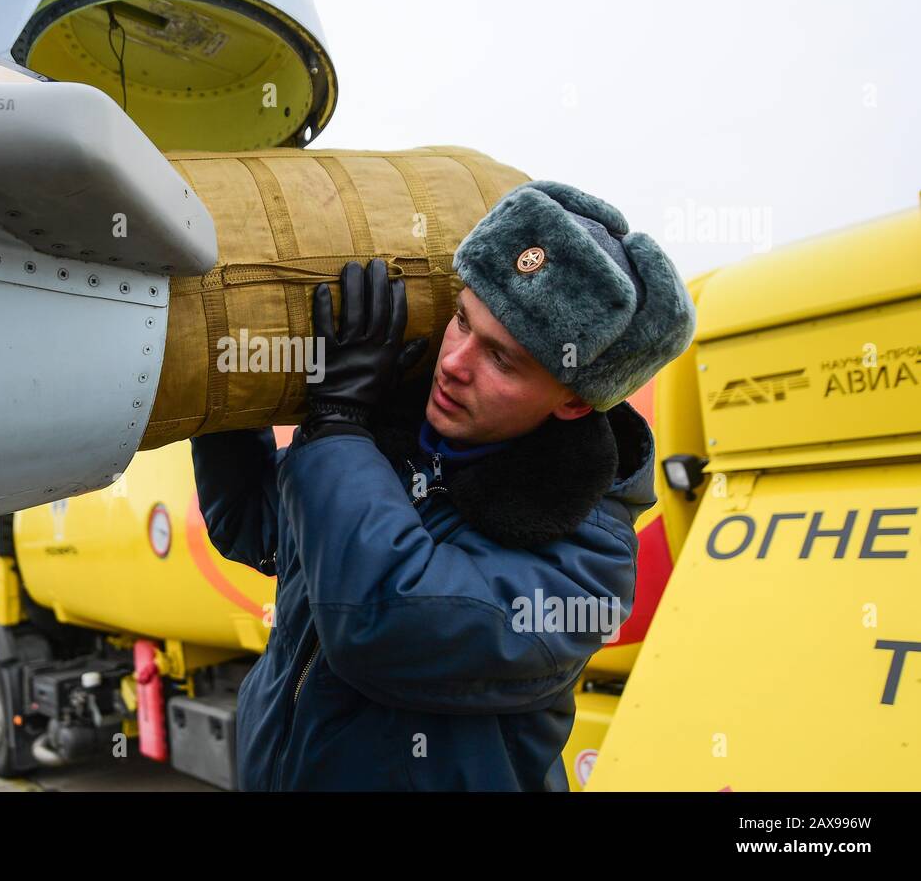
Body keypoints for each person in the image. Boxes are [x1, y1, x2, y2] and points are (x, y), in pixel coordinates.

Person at [190, 180, 696, 790]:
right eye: (461, 320)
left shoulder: (587, 566)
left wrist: (339, 428)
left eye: (502, 359)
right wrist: (232, 396)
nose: (454, 363)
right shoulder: (389, 447)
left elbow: (382, 621)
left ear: (570, 403)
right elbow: (257, 527)